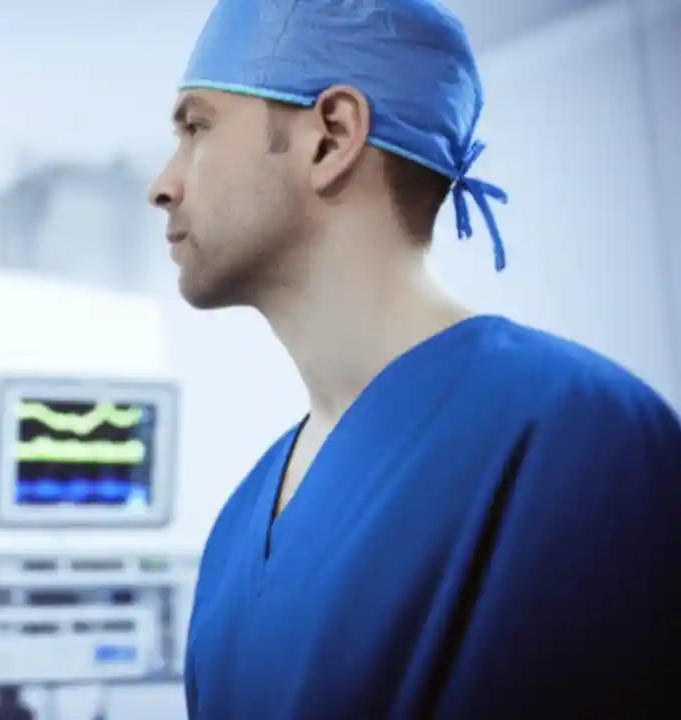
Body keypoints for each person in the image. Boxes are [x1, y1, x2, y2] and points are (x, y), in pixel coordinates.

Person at [146, 1, 681, 718]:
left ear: (330, 137)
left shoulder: (578, 438)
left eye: (196, 127)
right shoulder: (242, 521)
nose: (163, 184)